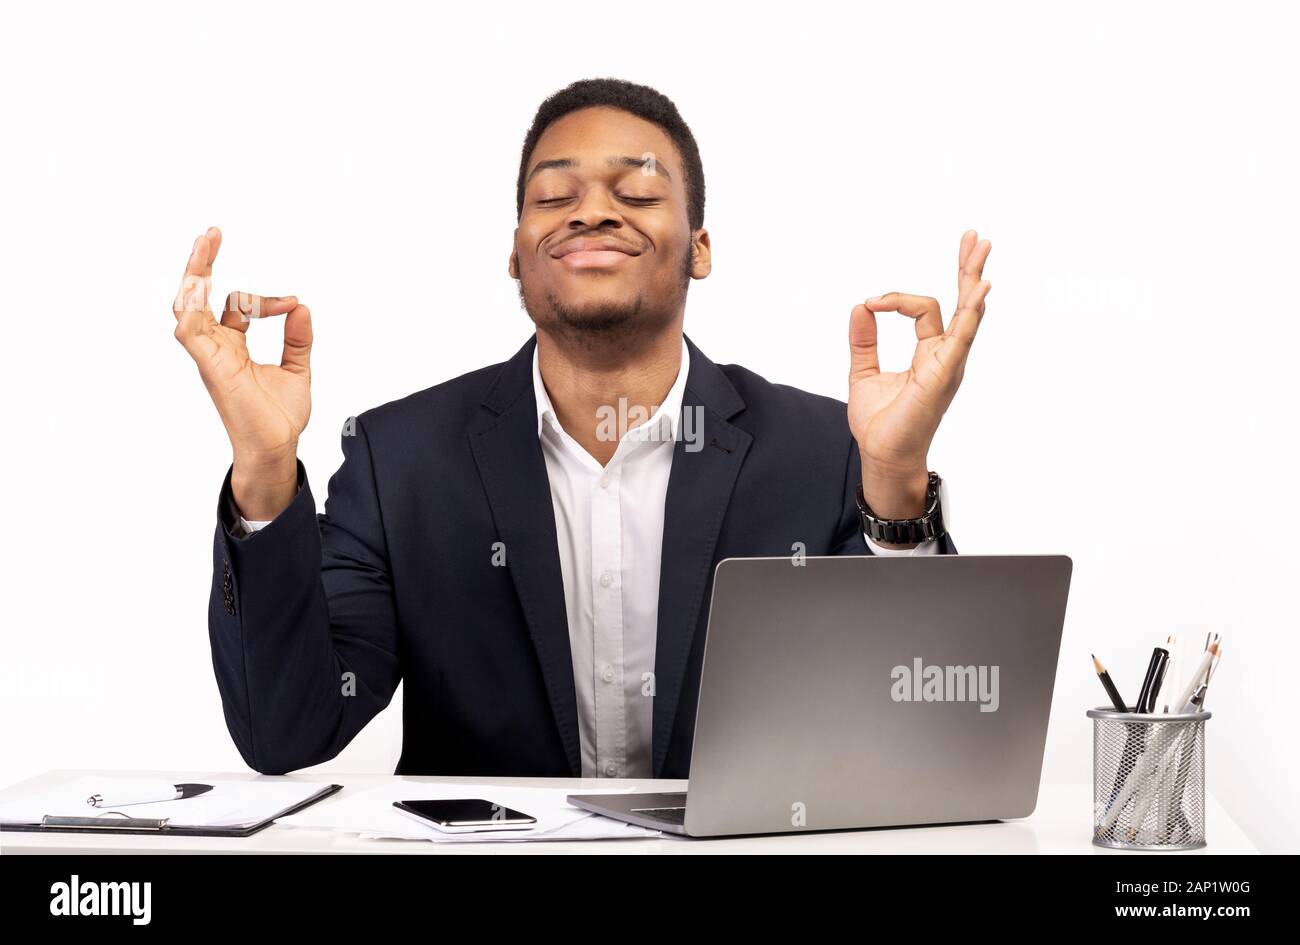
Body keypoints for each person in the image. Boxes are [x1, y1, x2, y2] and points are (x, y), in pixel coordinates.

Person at [171, 78, 992, 778]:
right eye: (554, 198)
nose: (593, 212)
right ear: (516, 252)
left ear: (699, 247)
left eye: (636, 194)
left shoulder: (826, 451)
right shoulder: (401, 461)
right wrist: (264, 467)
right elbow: (287, 731)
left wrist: (895, 476)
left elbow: (921, 742)